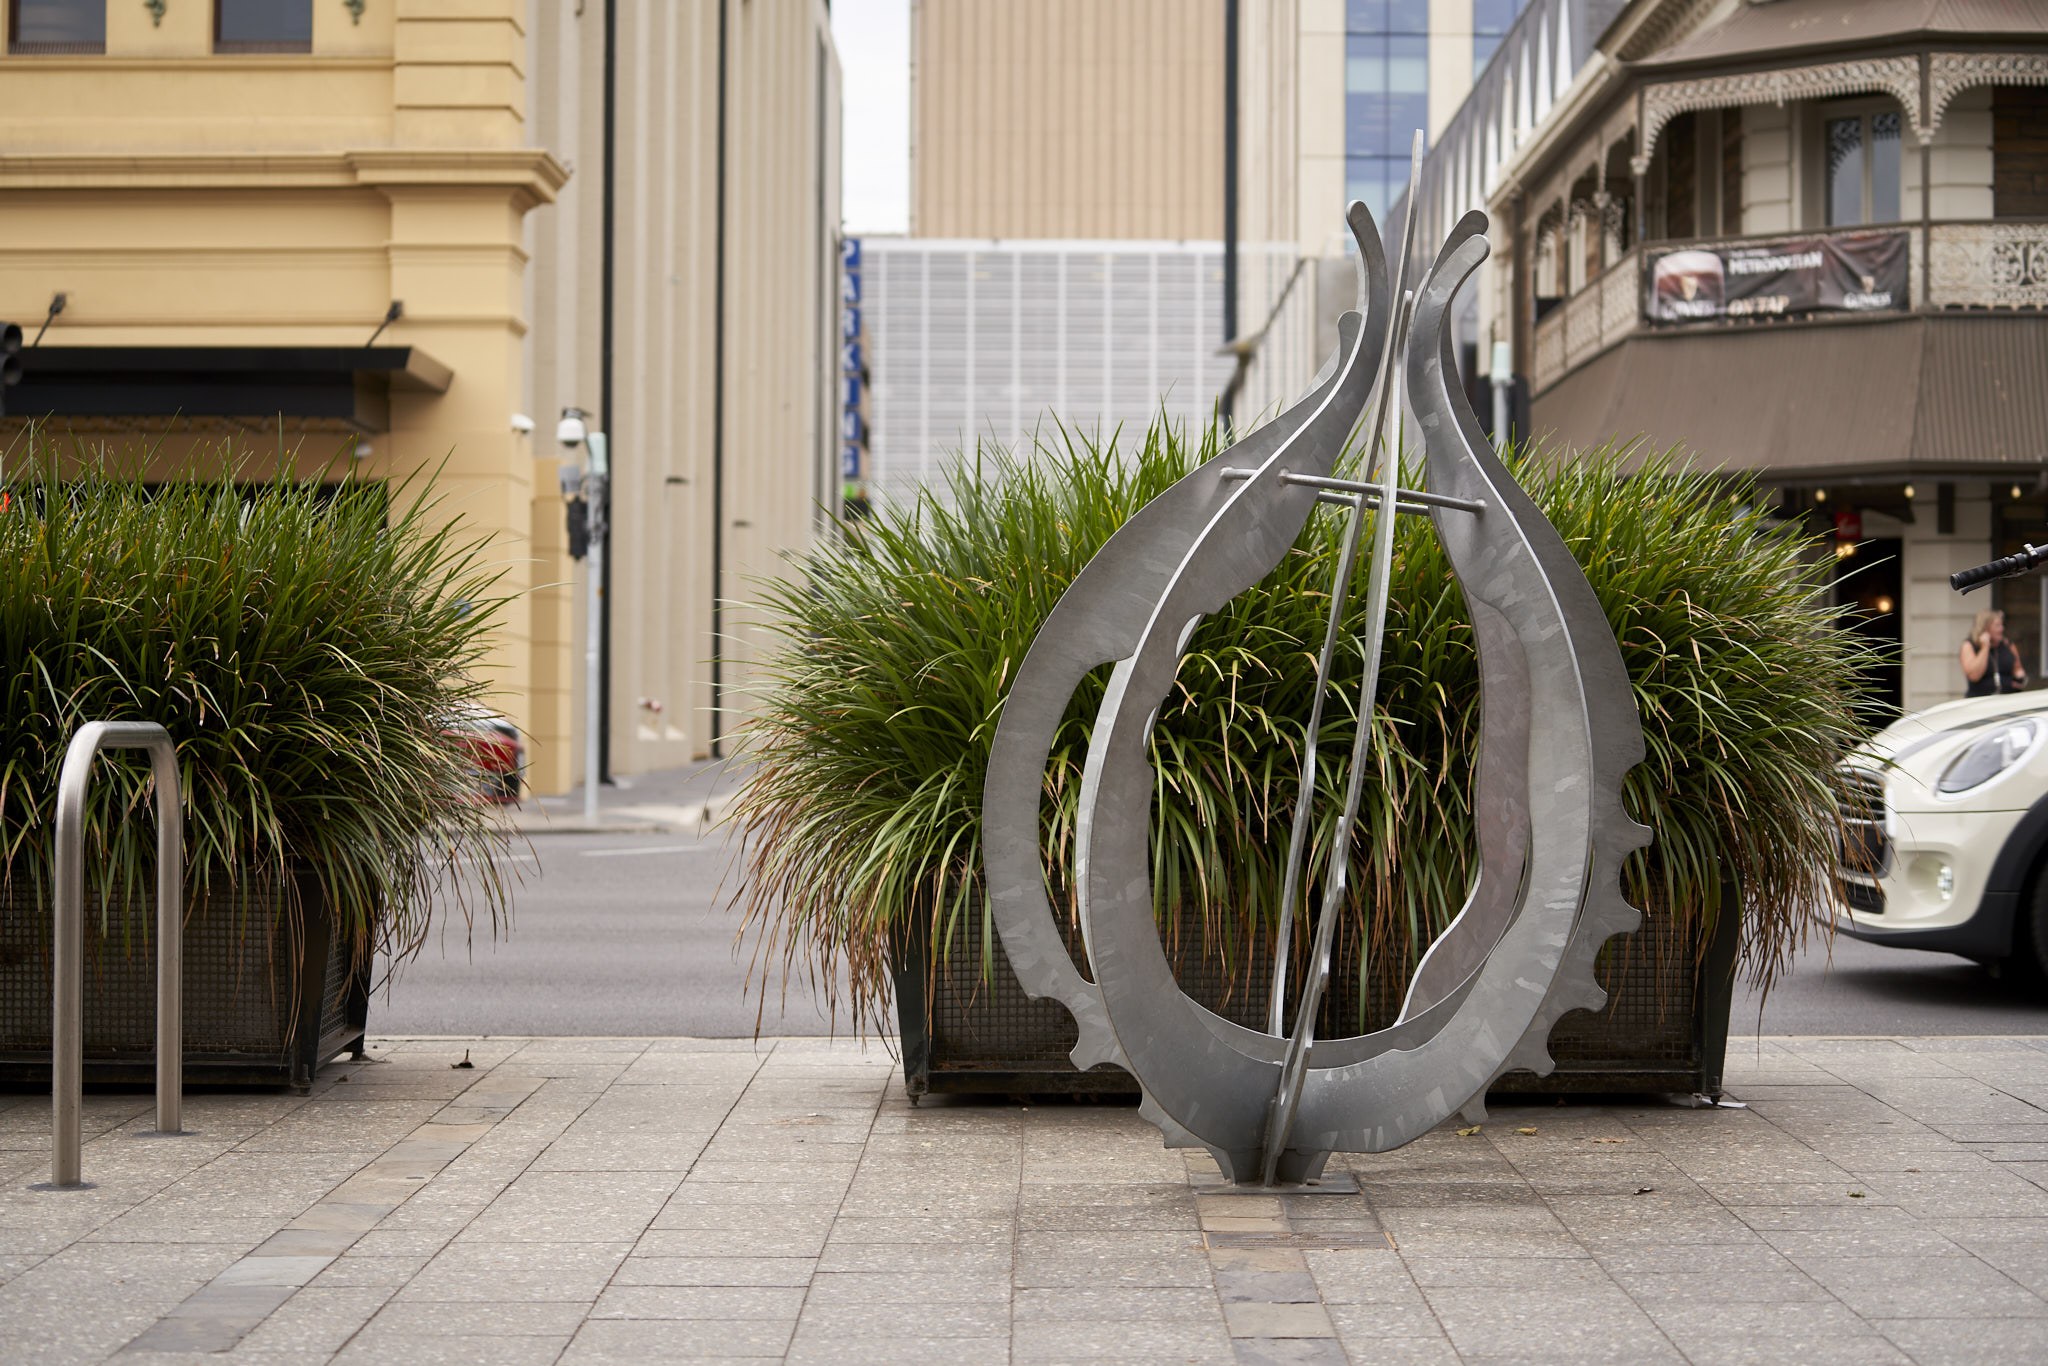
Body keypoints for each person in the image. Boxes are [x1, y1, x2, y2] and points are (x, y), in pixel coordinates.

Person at [1962, 608, 2028, 697]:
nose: (2001, 629)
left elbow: (2018, 668)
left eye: (2002, 625)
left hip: (2008, 698)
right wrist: (1985, 647)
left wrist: (2020, 678)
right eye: (1997, 626)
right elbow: (1974, 675)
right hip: (1981, 699)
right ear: (1985, 628)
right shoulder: (1969, 646)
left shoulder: (2007, 645)